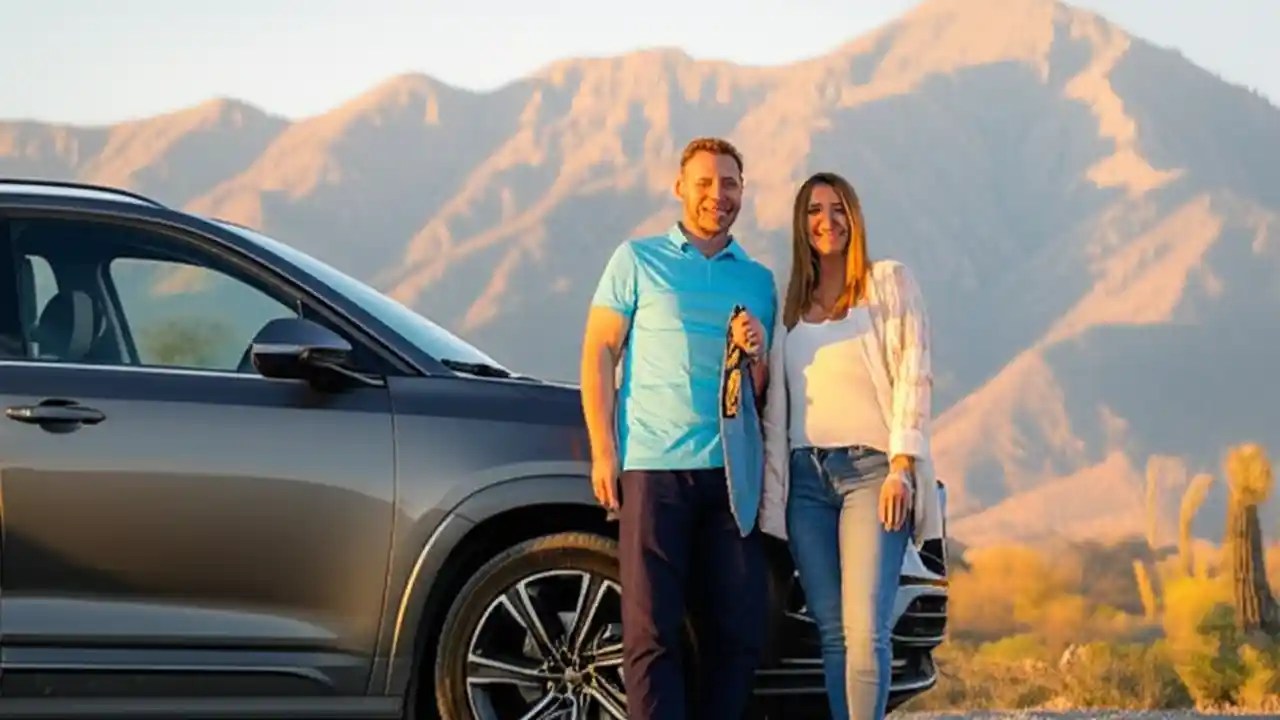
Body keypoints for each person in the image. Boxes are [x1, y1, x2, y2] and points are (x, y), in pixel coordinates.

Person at [579, 136, 777, 720]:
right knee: (650, 631)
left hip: (732, 475)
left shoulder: (758, 279)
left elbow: (760, 389)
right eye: (706, 183)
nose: (719, 195)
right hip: (654, 469)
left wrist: (758, 354)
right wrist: (602, 449)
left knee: (737, 633)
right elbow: (598, 352)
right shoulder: (637, 260)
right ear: (680, 188)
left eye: (731, 183)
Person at [758, 171, 944, 720]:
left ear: (854, 217)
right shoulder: (789, 307)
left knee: (866, 630)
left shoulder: (888, 284)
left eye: (838, 209)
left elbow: (915, 372)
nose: (827, 221)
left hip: (872, 474)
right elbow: (776, 405)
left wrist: (902, 467)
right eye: (815, 211)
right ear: (801, 224)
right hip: (805, 483)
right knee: (833, 632)